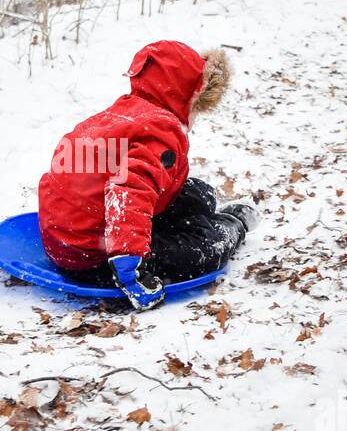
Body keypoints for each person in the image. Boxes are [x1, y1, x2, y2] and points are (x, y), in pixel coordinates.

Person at [37, 40, 258, 309]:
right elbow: (128, 191)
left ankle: (201, 213)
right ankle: (232, 224)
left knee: (197, 193)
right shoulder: (161, 129)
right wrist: (130, 268)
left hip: (68, 234)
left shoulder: (122, 112)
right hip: (96, 254)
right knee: (204, 247)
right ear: (187, 92)